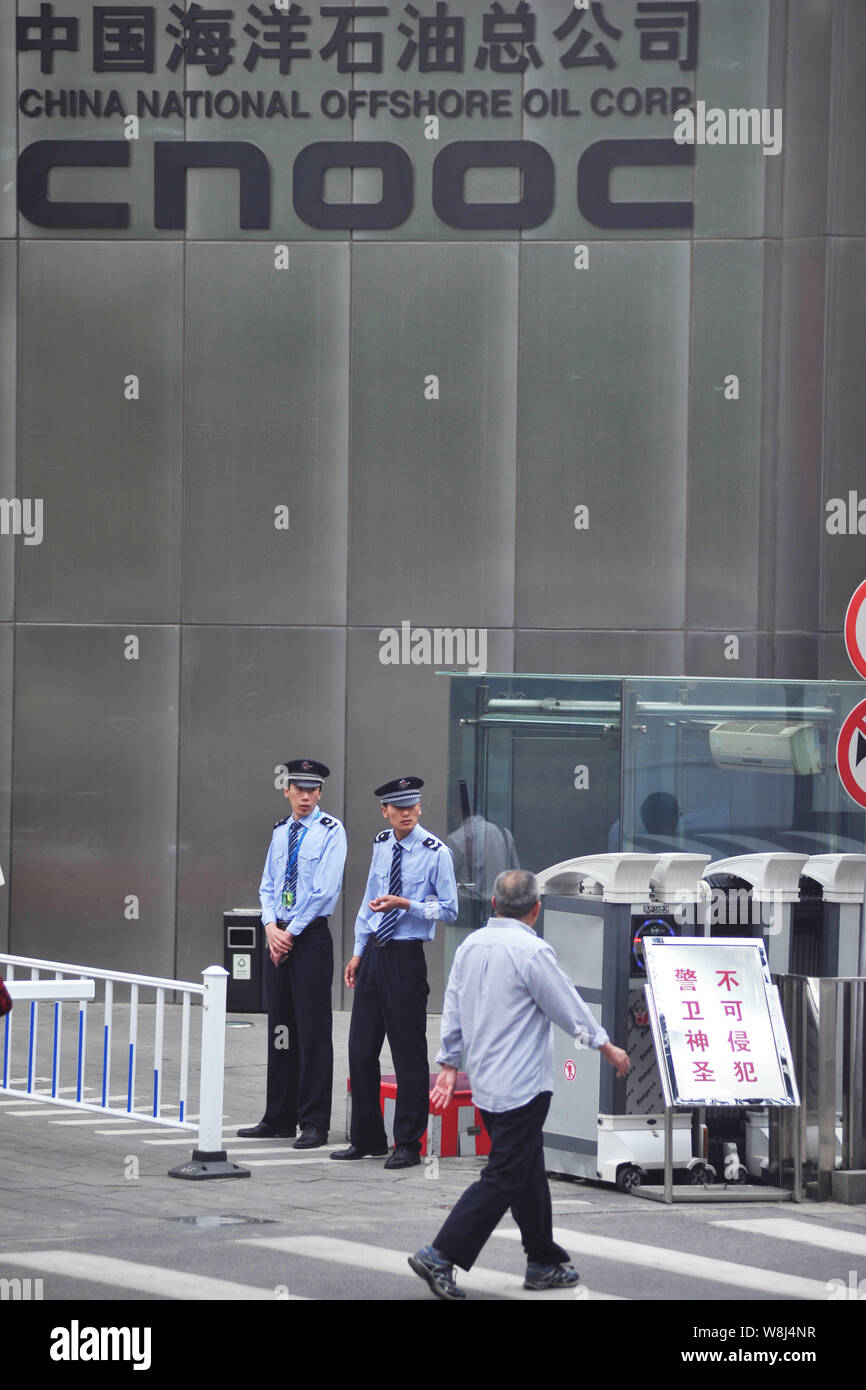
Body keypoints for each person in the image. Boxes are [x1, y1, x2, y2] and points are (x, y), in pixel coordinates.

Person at [409, 868, 630, 1300]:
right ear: (536, 909)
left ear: (494, 905)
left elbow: (451, 1006)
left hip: (487, 1081)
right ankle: (441, 1253)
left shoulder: (470, 946)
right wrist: (605, 1046)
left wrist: (450, 1063)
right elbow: (567, 1006)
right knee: (506, 1176)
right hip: (523, 1086)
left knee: (527, 1171)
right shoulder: (532, 951)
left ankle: (543, 1260)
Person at [331, 776, 458, 1170]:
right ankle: (368, 1138)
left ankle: (408, 1143)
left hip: (406, 958)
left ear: (420, 808)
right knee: (361, 1049)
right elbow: (368, 901)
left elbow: (451, 910)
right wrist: (356, 951)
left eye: (411, 806)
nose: (405, 813)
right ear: (384, 811)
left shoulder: (437, 851)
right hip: (374, 953)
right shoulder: (382, 845)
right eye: (397, 807)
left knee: (408, 1054)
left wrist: (409, 904)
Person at [238, 758, 347, 1149]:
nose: (305, 796)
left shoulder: (332, 831)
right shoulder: (281, 831)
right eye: (298, 789)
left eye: (312, 789)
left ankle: (313, 1120)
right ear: (286, 790)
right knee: (281, 1028)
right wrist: (270, 928)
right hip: (278, 936)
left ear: (320, 793)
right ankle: (278, 1116)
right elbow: (268, 884)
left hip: (310, 937)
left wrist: (290, 933)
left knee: (313, 1030)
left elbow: (324, 891)